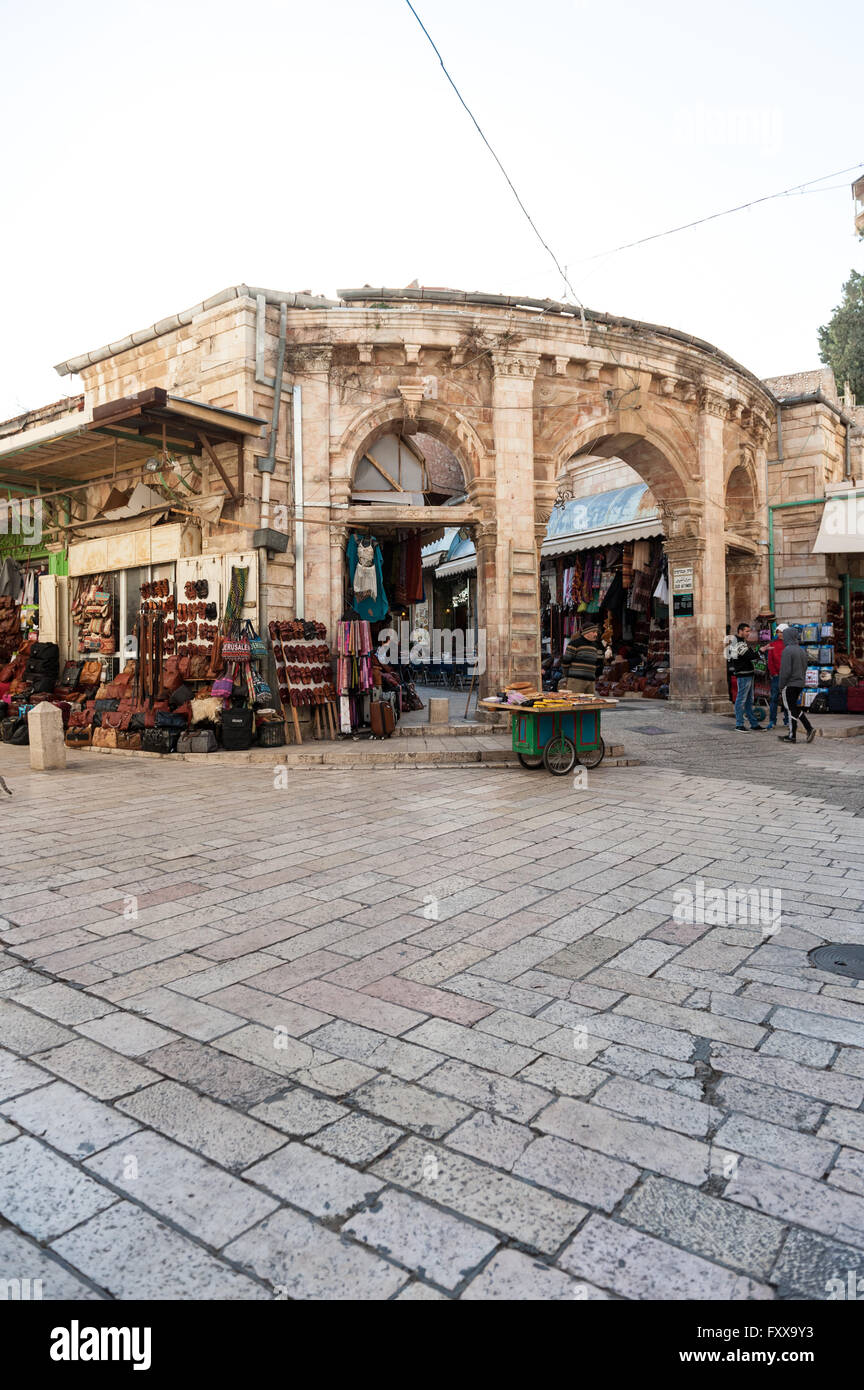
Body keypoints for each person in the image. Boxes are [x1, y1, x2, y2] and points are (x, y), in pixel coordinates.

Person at [778, 626, 815, 744]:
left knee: (789, 709)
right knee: (793, 707)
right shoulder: (801, 650)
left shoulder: (787, 650)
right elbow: (805, 667)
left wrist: (781, 685)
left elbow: (785, 671)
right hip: (799, 683)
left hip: (789, 684)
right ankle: (807, 728)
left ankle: (792, 735)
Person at [728, 622, 762, 731]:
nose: (748, 633)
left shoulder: (741, 642)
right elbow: (749, 656)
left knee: (748, 700)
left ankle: (754, 724)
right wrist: (761, 651)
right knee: (741, 699)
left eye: (749, 631)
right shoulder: (737, 642)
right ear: (740, 631)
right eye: (747, 631)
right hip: (743, 675)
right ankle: (739, 724)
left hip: (748, 674)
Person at [560, 624, 603, 694]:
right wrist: (567, 676)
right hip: (576, 681)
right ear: (586, 632)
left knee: (590, 702)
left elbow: (597, 662)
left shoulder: (595, 646)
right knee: (575, 700)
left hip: (590, 681)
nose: (596, 634)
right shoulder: (574, 644)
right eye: (594, 632)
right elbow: (566, 661)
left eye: (596, 632)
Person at [762, 624, 788, 730]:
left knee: (787, 699)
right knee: (774, 699)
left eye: (782, 632)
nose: (780, 634)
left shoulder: (789, 644)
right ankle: (772, 721)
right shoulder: (772, 644)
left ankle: (787, 720)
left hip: (787, 676)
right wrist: (773, 673)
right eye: (778, 632)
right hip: (777, 676)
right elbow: (770, 661)